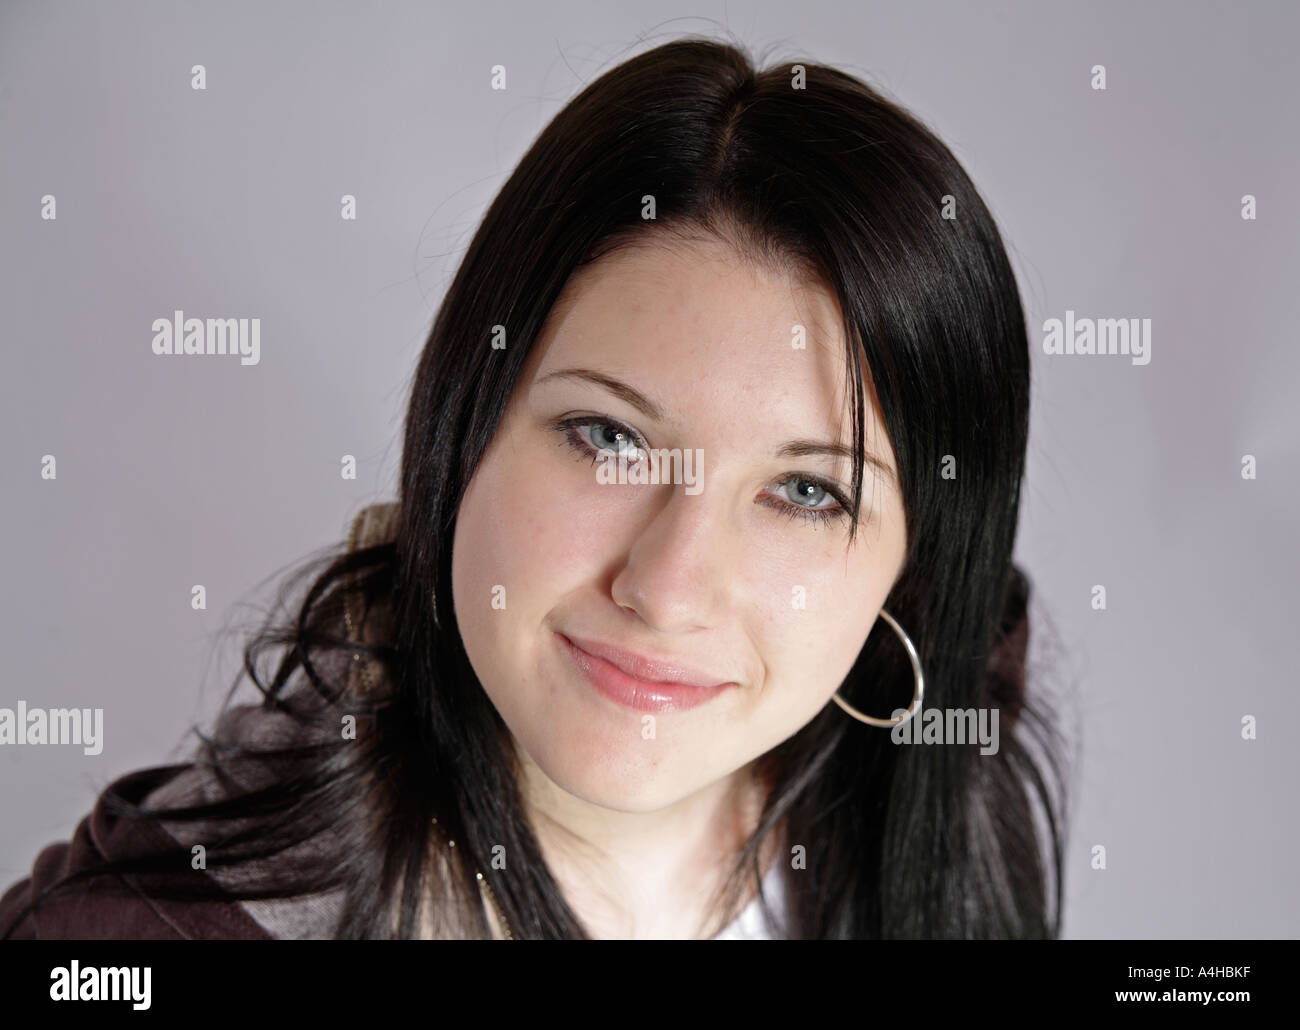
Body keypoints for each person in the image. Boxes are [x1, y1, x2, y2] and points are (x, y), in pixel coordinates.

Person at [1, 34, 1065, 940]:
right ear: (463, 426)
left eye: (805, 493)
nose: (668, 585)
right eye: (607, 435)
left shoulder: (931, 804)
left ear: (914, 569)